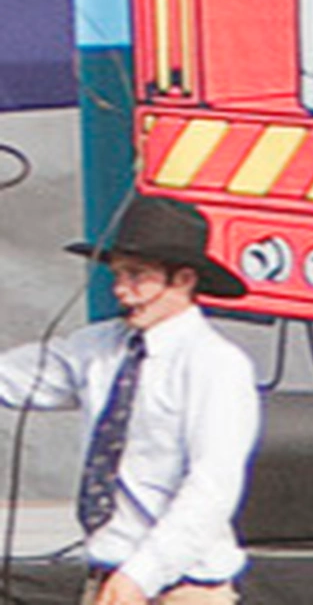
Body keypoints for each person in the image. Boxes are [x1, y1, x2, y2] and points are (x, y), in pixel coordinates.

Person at [0, 194, 261, 604]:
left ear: (184, 280)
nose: (122, 290)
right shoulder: (99, 348)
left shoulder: (215, 365)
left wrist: (142, 575)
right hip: (109, 575)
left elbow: (211, 487)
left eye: (138, 276)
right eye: (118, 275)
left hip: (183, 586)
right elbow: (17, 378)